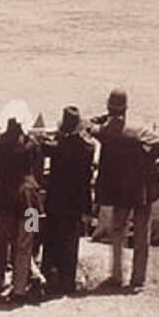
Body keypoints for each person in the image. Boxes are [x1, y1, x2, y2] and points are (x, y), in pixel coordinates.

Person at [91, 88, 159, 291]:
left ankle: (117, 275)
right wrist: (147, 156)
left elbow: (88, 124)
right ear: (126, 108)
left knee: (118, 231)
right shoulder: (137, 129)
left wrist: (104, 117)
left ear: (109, 107)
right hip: (141, 188)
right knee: (142, 233)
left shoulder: (104, 132)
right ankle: (138, 278)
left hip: (118, 189)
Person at [0, 108, 42, 301]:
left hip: (4, 203)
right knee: (28, 242)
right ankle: (23, 285)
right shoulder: (32, 144)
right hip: (31, 202)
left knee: (2, 242)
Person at [41, 106, 95, 295]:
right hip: (75, 200)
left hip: (55, 199)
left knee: (51, 238)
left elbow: (44, 145)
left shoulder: (56, 146)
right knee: (71, 241)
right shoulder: (87, 148)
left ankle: (48, 275)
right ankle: (67, 280)